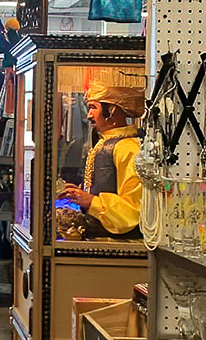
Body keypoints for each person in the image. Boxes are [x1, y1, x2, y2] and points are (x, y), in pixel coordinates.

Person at [59, 80, 144, 237]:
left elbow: (133, 210)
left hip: (119, 242)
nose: (89, 115)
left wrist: (92, 202)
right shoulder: (108, 143)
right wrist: (80, 194)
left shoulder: (128, 148)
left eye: (93, 107)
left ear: (111, 111)